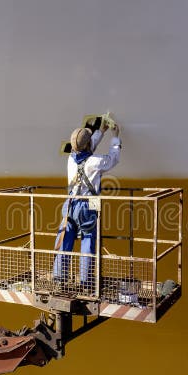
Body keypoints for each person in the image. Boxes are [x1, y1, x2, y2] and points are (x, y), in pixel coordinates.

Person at [53, 120, 121, 289]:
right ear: (88, 144)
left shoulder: (70, 158)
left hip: (70, 204)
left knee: (65, 238)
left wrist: (100, 132)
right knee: (88, 242)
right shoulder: (96, 161)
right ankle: (86, 283)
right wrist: (115, 137)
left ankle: (59, 279)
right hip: (89, 205)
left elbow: (87, 147)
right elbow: (113, 159)